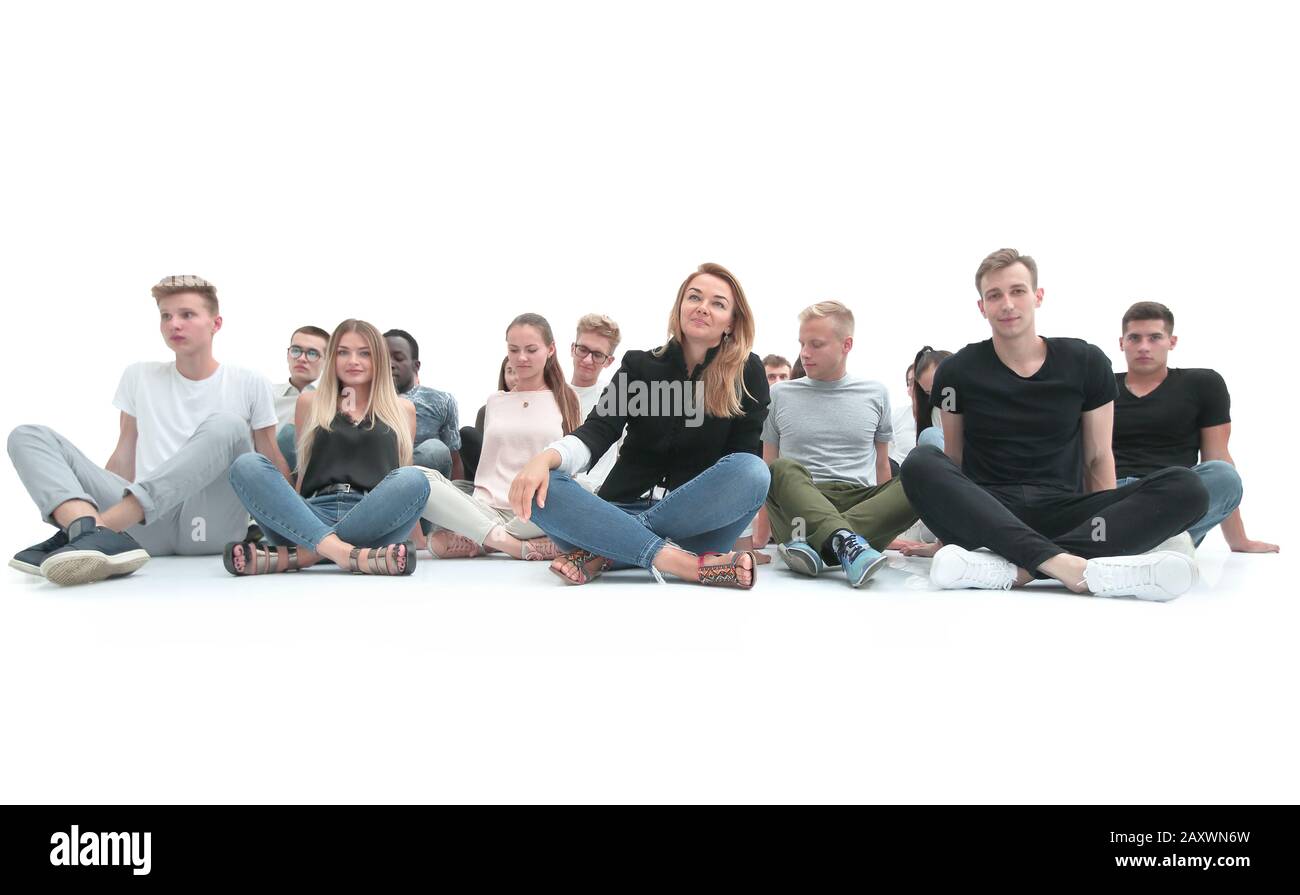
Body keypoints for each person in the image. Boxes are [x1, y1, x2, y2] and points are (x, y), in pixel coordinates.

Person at [899, 248, 1209, 601]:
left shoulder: (1086, 362)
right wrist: (946, 529)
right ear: (982, 307)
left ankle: (1023, 568)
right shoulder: (956, 373)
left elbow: (1097, 457)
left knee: (1188, 486)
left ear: (1037, 296)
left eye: (1017, 291)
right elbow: (953, 461)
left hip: (1067, 513)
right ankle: (1072, 567)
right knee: (921, 461)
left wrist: (1108, 521)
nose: (1007, 304)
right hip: (988, 515)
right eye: (994, 295)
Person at [8, 275, 290, 585]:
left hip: (211, 522)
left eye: (187, 314)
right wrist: (105, 493)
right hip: (144, 524)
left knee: (228, 424)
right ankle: (84, 530)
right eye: (166, 316)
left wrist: (294, 527)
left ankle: (100, 530)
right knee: (28, 435)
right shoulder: (138, 376)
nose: (174, 324)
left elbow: (268, 460)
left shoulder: (249, 381)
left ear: (216, 323)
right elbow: (123, 454)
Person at [509, 262, 771, 589]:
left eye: (718, 303)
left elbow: (737, 472)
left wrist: (610, 532)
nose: (703, 308)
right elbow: (598, 431)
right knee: (539, 488)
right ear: (679, 307)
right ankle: (684, 565)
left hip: (696, 526)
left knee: (754, 471)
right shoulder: (639, 365)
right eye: (694, 298)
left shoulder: (748, 372)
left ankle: (603, 550)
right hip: (619, 507)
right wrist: (544, 459)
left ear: (732, 321)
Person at [224, 319, 427, 576]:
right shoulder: (309, 403)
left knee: (415, 479)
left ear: (378, 358)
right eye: (343, 352)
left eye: (364, 353)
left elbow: (402, 471)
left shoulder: (403, 409)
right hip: (311, 513)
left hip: (373, 516)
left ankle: (298, 557)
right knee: (247, 465)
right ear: (332, 358)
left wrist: (418, 538)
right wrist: (294, 513)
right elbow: (305, 466)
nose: (353, 360)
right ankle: (348, 555)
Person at [757, 301, 918, 587]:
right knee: (782, 468)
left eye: (816, 344)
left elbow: (883, 465)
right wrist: (759, 538)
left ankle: (826, 545)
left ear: (847, 345)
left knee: (924, 475)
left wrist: (888, 529)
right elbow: (767, 468)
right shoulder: (780, 394)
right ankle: (849, 543)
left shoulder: (875, 393)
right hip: (797, 509)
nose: (805, 353)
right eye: (802, 343)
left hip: (857, 499)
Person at [1113, 301, 1277, 552]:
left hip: (1174, 495)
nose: (1144, 347)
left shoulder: (1202, 384)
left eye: (1155, 337)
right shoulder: (1101, 387)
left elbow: (1218, 457)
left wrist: (1238, 541)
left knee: (1224, 475)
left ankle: (1148, 544)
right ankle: (1157, 546)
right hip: (1115, 494)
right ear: (1122, 342)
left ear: (1172, 341)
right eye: (1135, 338)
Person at [420, 314, 579, 560]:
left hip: (535, 511)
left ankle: (487, 540)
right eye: (514, 350)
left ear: (550, 350)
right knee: (420, 479)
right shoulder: (495, 401)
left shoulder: (567, 399)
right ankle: (515, 544)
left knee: (586, 491)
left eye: (531, 349)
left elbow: (571, 464)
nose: (521, 358)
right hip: (485, 507)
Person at [384, 328, 462, 480]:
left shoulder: (441, 400)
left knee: (435, 449)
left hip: (423, 482)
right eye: (383, 358)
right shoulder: (362, 400)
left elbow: (454, 458)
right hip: (375, 478)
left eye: (398, 358)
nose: (390, 364)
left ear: (416, 366)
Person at [569, 313, 622, 492]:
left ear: (609, 361)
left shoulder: (617, 400)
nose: (587, 360)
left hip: (597, 498)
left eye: (597, 354)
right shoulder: (548, 396)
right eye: (583, 349)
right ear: (572, 349)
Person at [273, 325, 330, 472]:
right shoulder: (266, 396)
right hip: (267, 473)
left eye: (312, 353)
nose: (302, 359)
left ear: (327, 361)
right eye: (296, 351)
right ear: (287, 355)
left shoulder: (334, 401)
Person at [458, 358, 515, 482]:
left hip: (523, 470)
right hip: (492, 472)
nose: (515, 377)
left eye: (518, 371)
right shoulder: (488, 410)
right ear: (503, 375)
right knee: (466, 433)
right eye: (510, 371)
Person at [911, 346, 953, 451]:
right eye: (929, 393)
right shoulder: (937, 412)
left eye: (938, 387)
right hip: (952, 463)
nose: (936, 395)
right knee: (929, 435)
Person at [888, 362, 917, 470]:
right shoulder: (896, 415)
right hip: (900, 474)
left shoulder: (944, 416)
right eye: (911, 382)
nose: (916, 387)